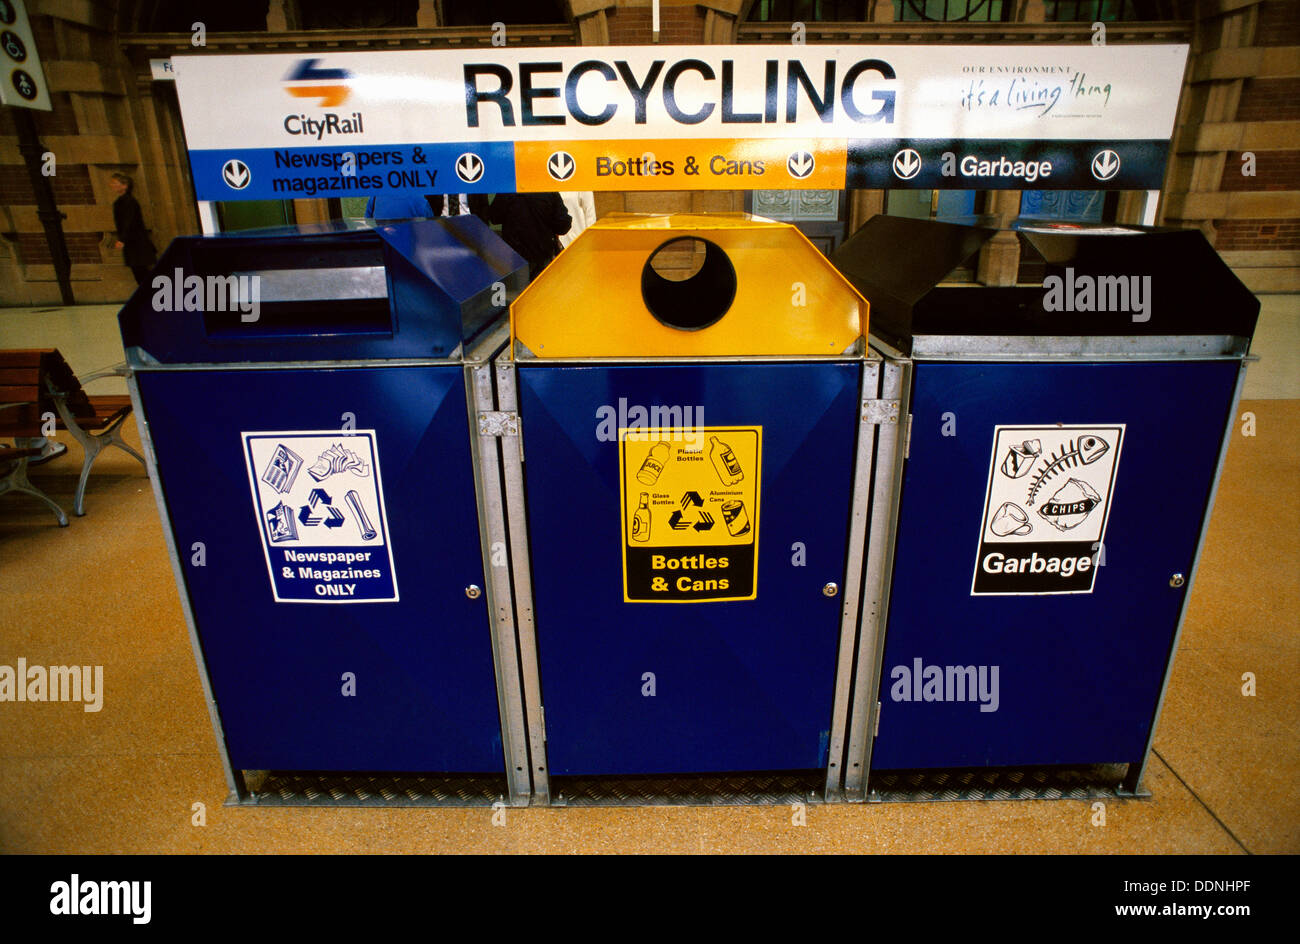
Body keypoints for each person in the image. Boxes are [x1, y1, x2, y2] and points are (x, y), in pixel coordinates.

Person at [486, 193, 571, 281]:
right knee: (542, 291)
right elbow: (563, 226)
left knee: (520, 293)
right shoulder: (548, 192)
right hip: (543, 255)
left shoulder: (507, 192)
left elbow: (494, 218)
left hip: (515, 258)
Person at [108, 172, 156, 287]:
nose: (112, 185)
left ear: (125, 186)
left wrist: (122, 239)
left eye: (115, 183)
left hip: (136, 242)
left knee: (140, 271)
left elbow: (129, 222)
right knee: (139, 271)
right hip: (133, 242)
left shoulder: (128, 202)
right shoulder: (121, 202)